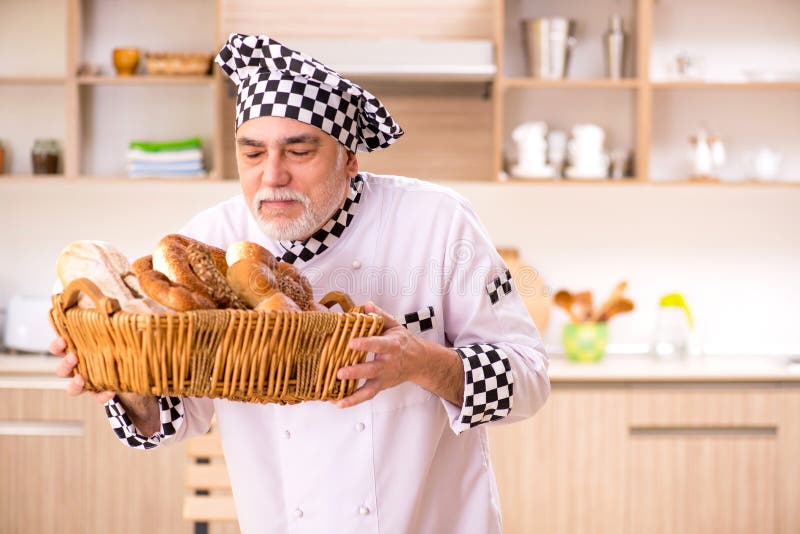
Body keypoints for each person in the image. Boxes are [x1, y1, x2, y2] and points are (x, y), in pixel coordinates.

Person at [50, 33, 550, 533]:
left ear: (349, 159)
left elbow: (529, 380)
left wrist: (420, 362)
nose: (272, 176)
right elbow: (173, 415)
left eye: (298, 151)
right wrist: (121, 379)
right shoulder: (208, 241)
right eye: (252, 154)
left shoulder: (438, 222)